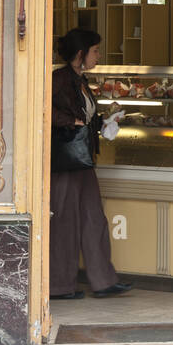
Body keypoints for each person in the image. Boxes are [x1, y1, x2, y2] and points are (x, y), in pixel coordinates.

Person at [50, 28, 131, 300]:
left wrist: (104, 123)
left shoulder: (80, 81)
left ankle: (103, 280)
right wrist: (72, 122)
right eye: (95, 50)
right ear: (81, 53)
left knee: (94, 218)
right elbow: (44, 110)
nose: (98, 55)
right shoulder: (60, 79)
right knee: (65, 222)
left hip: (82, 160)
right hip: (65, 162)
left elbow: (82, 117)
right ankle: (59, 285)